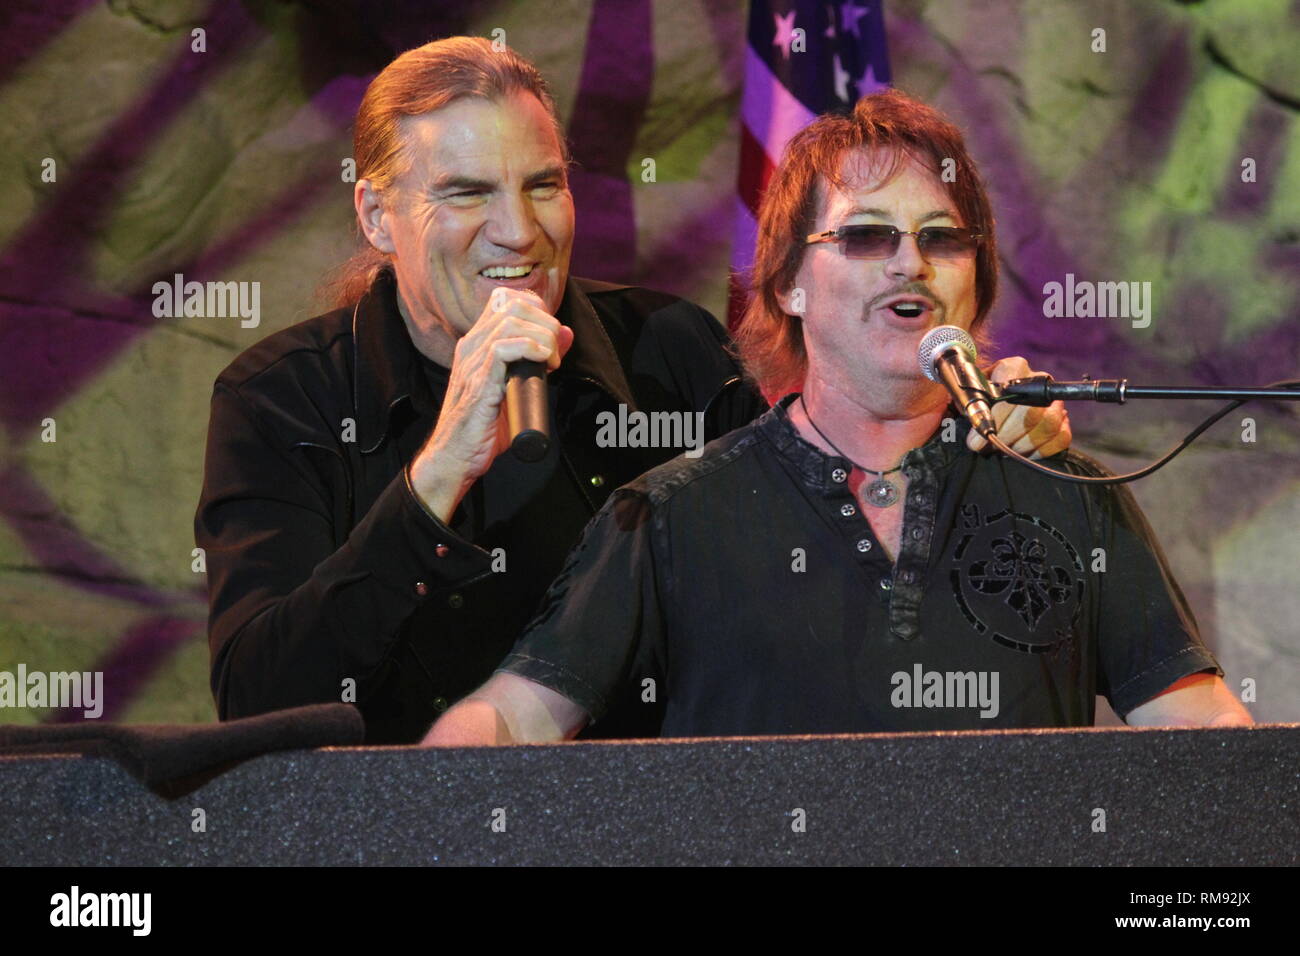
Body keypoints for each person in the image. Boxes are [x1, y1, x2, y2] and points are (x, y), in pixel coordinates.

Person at [196, 39, 1070, 744]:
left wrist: (963, 443)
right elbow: (261, 699)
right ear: (377, 216)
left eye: (544, 185)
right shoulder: (281, 401)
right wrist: (435, 478)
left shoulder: (672, 353)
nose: (520, 230)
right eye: (467, 192)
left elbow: (824, 566)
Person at [421, 88, 1252, 746]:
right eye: (864, 236)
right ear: (788, 284)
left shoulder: (1068, 493)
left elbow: (1204, 734)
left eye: (944, 238)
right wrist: (422, 790)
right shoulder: (670, 515)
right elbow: (517, 717)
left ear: (977, 283)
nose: (911, 263)